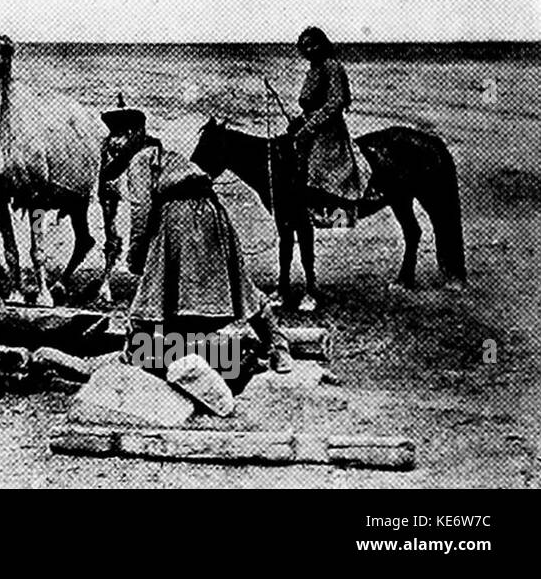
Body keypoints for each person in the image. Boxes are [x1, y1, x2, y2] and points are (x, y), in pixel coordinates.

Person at [100, 106, 292, 375]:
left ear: (135, 134)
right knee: (238, 285)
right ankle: (277, 346)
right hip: (213, 214)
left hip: (179, 220)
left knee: (152, 294)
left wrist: (135, 255)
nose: (113, 143)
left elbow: (141, 211)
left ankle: (139, 353)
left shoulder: (140, 160)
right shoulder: (166, 155)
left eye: (119, 135)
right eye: (111, 136)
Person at [289, 26, 371, 227]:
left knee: (321, 165)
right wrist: (301, 120)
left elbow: (336, 101)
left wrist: (310, 126)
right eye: (305, 46)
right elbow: (311, 102)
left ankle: (337, 217)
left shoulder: (331, 66)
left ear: (322, 44)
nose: (309, 50)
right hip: (313, 124)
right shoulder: (314, 69)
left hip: (329, 129)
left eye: (313, 45)